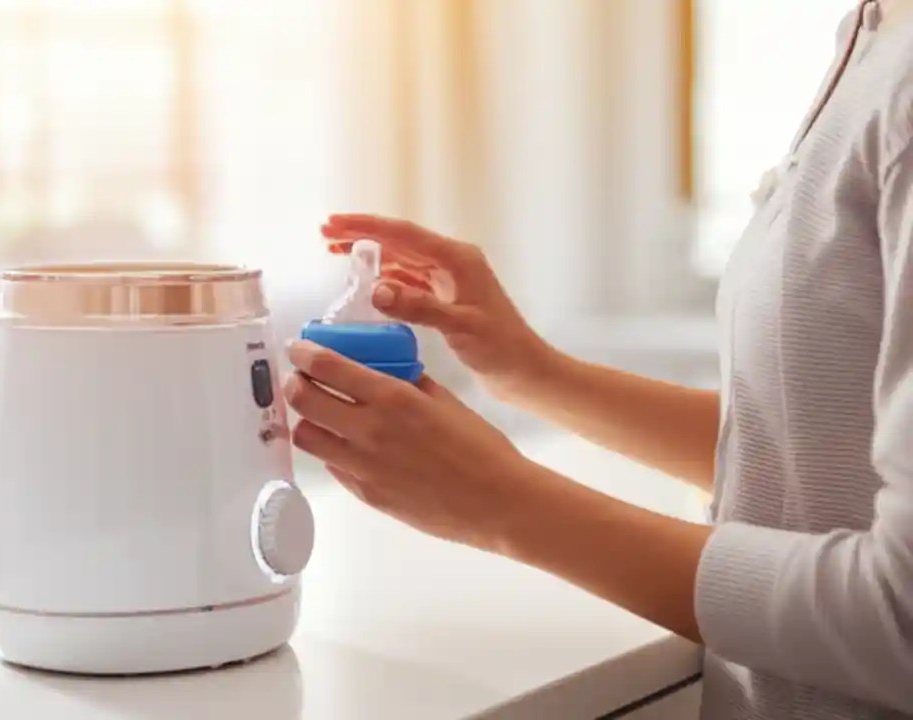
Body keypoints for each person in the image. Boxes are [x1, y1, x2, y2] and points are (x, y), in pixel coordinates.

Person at [282, 1, 913, 717]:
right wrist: (533, 374)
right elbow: (826, 456)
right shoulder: (873, 32)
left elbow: (902, 624)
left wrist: (502, 504)